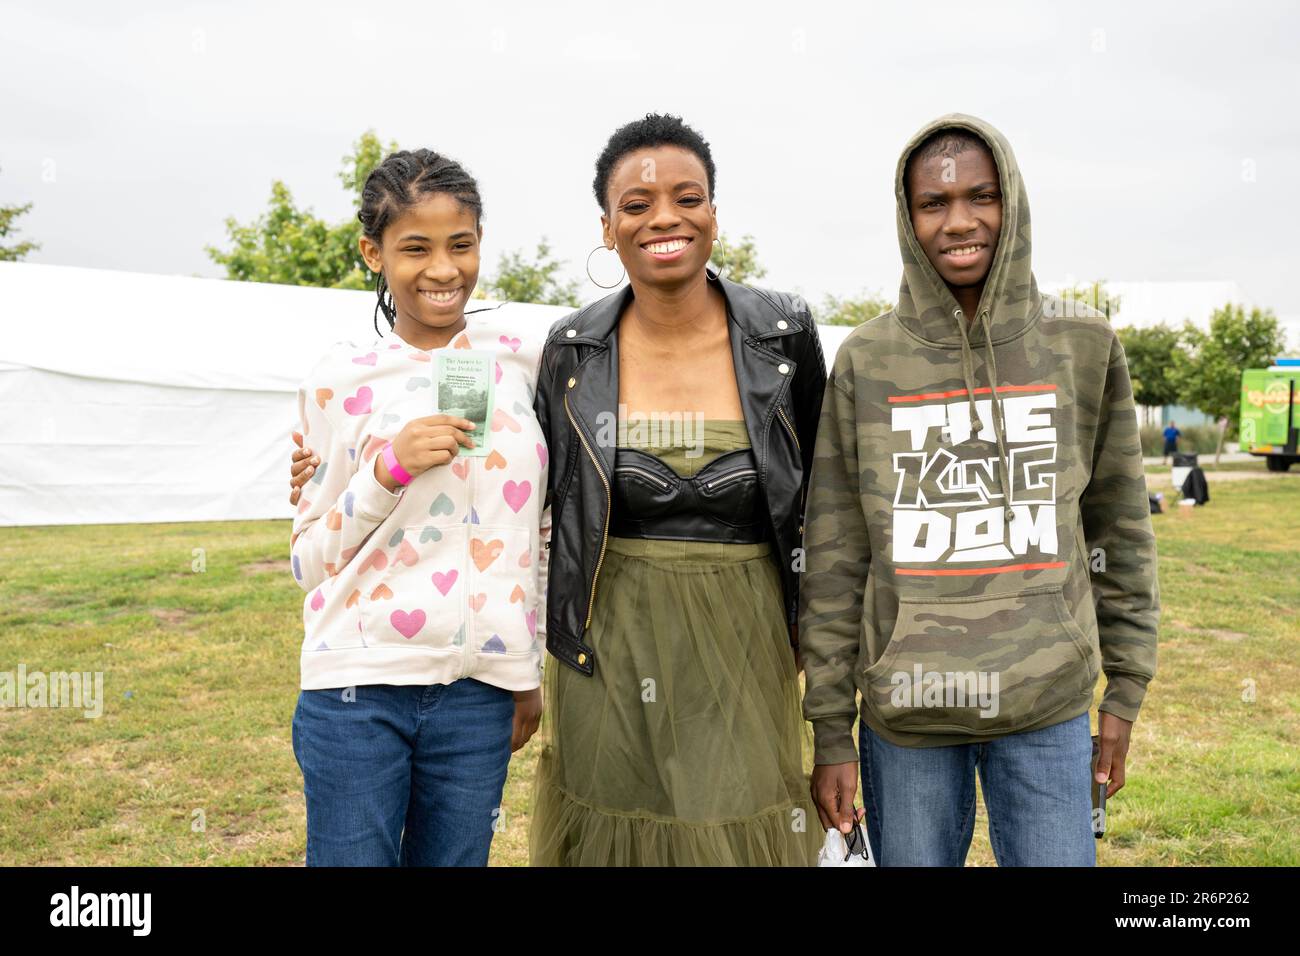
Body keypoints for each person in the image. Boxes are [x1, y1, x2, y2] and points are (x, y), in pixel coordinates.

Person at [800, 114, 1159, 866]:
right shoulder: (866, 360)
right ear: (907, 217)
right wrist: (831, 728)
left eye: (981, 196)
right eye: (934, 203)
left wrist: (1123, 690)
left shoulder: (1082, 345)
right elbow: (833, 560)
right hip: (909, 716)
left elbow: (1120, 531)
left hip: (1048, 706)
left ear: (1013, 203)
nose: (959, 221)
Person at [528, 113, 827, 865]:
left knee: (735, 829)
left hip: (749, 644)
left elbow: (829, 495)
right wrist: (342, 459)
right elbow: (515, 480)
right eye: (637, 204)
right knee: (616, 830)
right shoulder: (571, 350)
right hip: (608, 644)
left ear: (714, 216)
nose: (665, 217)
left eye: (687, 198)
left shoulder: (784, 336)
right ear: (607, 227)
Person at [287, 149, 548, 866]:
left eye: (460, 244)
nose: (443, 269)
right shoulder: (340, 379)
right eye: (415, 248)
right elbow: (306, 559)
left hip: (478, 695)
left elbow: (542, 529)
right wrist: (386, 468)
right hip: (356, 692)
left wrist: (525, 667)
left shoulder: (526, 362)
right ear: (374, 253)